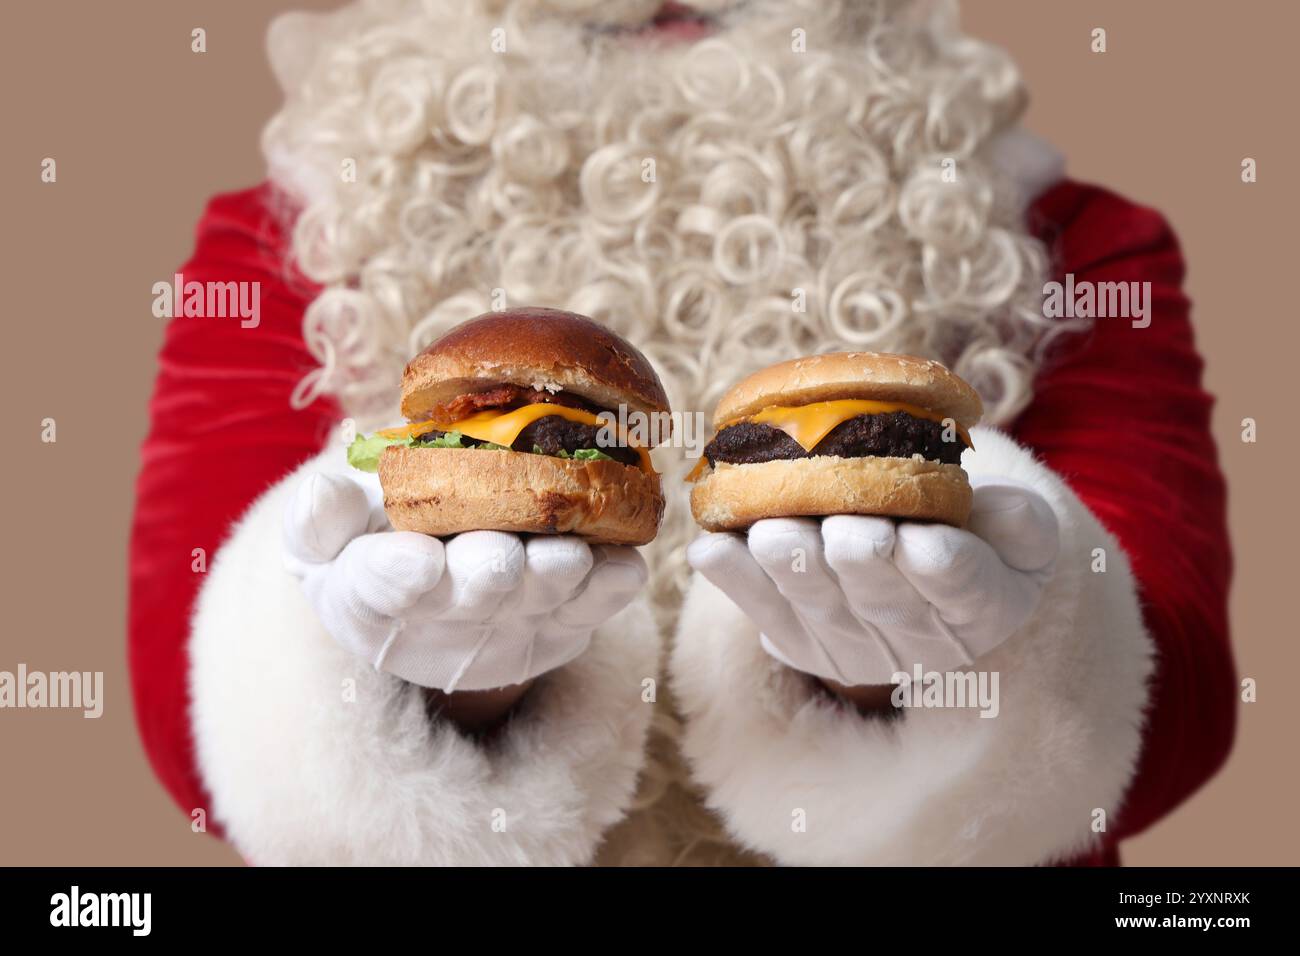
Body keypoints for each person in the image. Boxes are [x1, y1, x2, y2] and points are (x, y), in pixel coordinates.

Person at [128, 0, 1235, 865]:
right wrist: (433, 691)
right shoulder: (283, 231)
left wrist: (926, 677)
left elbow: (1172, 719)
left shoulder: (1074, 239)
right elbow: (192, 746)